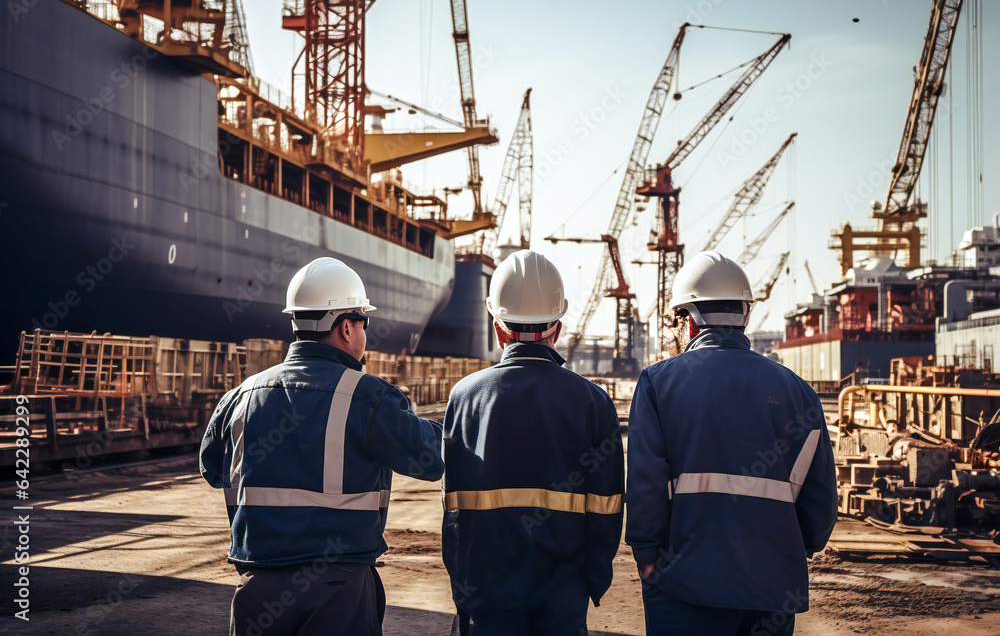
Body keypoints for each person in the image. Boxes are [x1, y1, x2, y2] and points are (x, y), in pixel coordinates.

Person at [200, 257, 444, 636]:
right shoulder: (368, 397)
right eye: (364, 320)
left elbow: (212, 470)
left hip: (257, 585)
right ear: (346, 327)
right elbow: (431, 460)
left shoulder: (241, 396)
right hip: (336, 588)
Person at [626, 250, 838, 636]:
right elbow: (820, 498)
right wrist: (794, 548)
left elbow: (646, 483)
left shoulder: (658, 383)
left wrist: (646, 554)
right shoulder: (799, 392)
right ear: (745, 315)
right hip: (771, 583)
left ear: (687, 320)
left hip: (684, 584)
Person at [441, 250, 625, 636]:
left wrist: (463, 584)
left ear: (498, 327)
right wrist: (590, 580)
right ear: (556, 328)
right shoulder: (593, 401)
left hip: (486, 588)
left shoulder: (464, 396)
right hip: (564, 587)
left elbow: (453, 506)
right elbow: (607, 507)